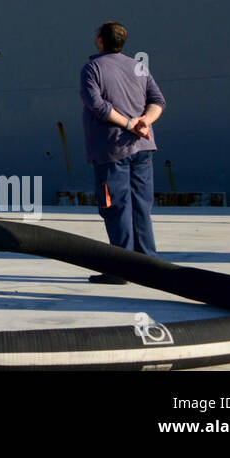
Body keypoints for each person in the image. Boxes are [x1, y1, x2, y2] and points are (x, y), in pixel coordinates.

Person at [79, 21, 166, 281]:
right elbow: (158, 101)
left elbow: (98, 106)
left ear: (100, 40)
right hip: (143, 147)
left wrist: (129, 124)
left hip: (111, 149)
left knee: (115, 207)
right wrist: (145, 122)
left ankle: (121, 269)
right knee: (141, 206)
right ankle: (148, 265)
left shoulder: (92, 68)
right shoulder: (139, 66)